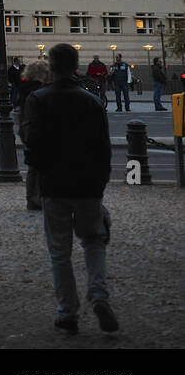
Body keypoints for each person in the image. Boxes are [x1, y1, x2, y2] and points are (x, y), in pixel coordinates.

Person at [23, 44, 117, 334]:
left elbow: (31, 142)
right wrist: (99, 182)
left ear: (51, 66)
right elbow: (104, 148)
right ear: (77, 66)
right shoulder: (91, 102)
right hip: (88, 183)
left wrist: (41, 176)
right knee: (94, 240)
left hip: (55, 184)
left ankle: (67, 312)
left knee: (59, 251)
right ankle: (99, 294)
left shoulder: (39, 99)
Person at [17, 59, 51, 211]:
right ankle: (36, 198)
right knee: (39, 167)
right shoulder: (37, 90)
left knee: (34, 166)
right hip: (35, 129)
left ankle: (33, 198)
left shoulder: (26, 87)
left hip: (27, 129)